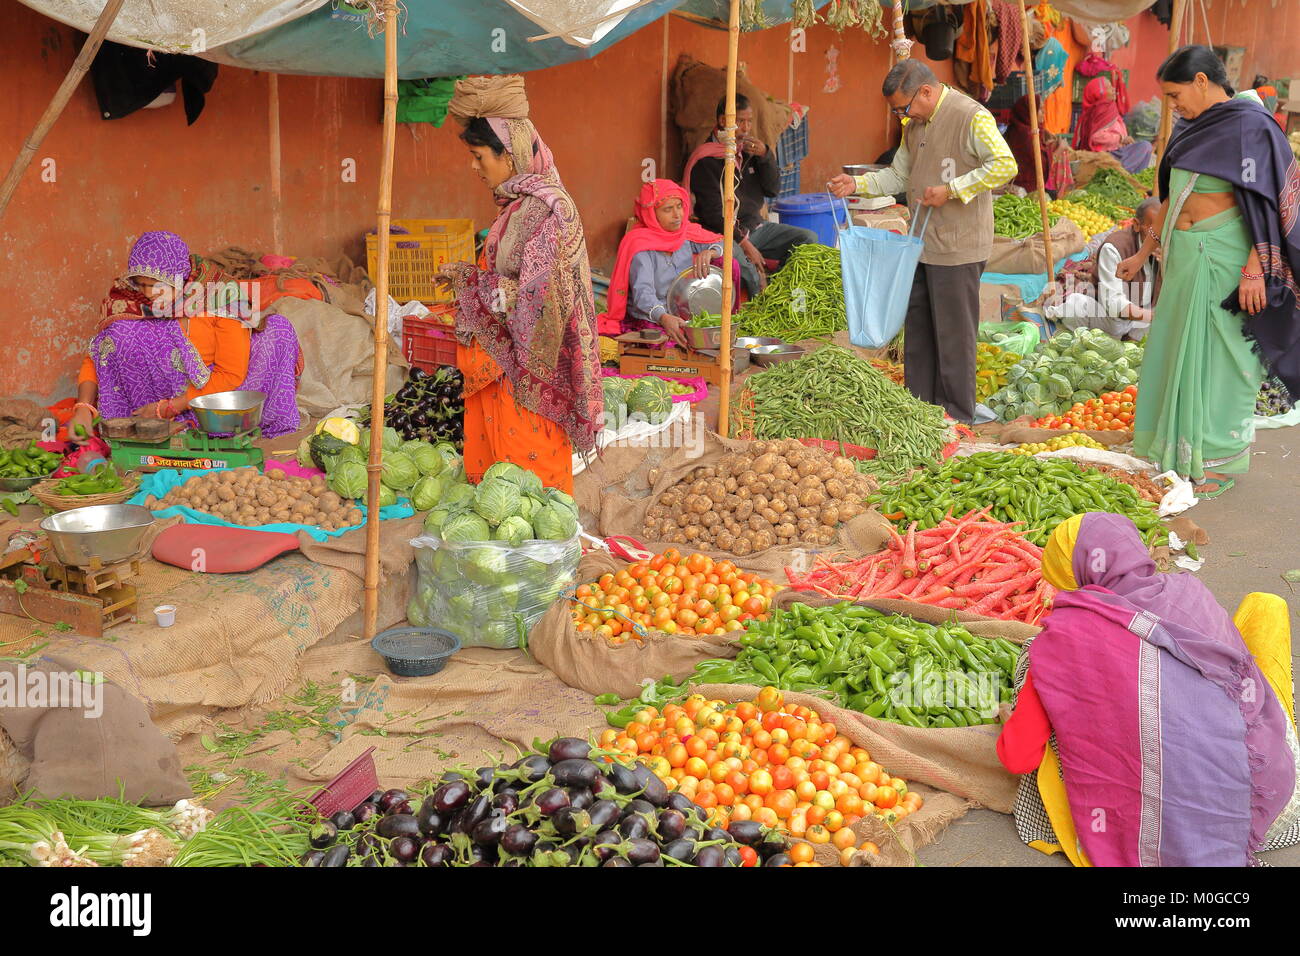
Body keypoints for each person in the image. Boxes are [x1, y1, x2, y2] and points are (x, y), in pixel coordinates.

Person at [998, 512, 1300, 866]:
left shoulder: (1063, 641)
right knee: (1258, 622)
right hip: (1270, 805)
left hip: (1162, 838)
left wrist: (1016, 714)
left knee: (1034, 666)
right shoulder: (1189, 592)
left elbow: (1018, 759)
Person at [1117, 45, 1300, 499]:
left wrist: (1257, 268)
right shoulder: (1190, 130)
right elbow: (1171, 198)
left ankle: (1219, 457)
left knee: (1223, 360)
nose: (1173, 105)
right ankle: (1177, 452)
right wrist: (1144, 254)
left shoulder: (1253, 127)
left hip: (1226, 259)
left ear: (1202, 80)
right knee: (1174, 350)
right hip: (1182, 259)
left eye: (1176, 94)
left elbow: (1269, 205)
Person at [829, 60, 1017, 423]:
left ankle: (957, 415)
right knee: (918, 328)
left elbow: (1004, 165)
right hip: (920, 244)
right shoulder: (913, 126)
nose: (902, 115)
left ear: (926, 92)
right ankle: (920, 410)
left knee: (953, 334)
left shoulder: (971, 116)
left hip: (959, 246)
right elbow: (899, 174)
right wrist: (857, 185)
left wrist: (952, 190)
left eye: (904, 107)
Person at [441, 76, 602, 495]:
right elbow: (514, 282)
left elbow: (543, 296)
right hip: (504, 365)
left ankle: (540, 556)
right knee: (499, 489)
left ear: (508, 154)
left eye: (479, 157)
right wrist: (472, 280)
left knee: (532, 494)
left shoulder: (550, 209)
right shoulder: (516, 205)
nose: (474, 168)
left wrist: (482, 289)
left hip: (532, 371)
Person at [68, 230, 302, 441]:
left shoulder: (220, 299)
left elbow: (231, 375)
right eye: (142, 285)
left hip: (218, 392)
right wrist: (83, 407)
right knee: (120, 331)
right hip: (152, 397)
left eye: (158, 285)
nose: (149, 294)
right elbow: (100, 354)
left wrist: (172, 407)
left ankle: (190, 424)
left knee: (277, 329)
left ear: (180, 278)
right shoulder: (130, 299)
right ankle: (145, 426)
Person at [685, 94, 817, 295]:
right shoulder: (705, 160)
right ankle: (761, 303)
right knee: (742, 265)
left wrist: (765, 156)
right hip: (724, 235)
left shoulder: (750, 152)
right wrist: (745, 244)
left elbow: (772, 190)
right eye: (740, 121)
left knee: (807, 239)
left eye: (749, 121)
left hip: (756, 227)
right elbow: (712, 215)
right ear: (723, 121)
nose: (746, 128)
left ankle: (781, 292)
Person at [599, 179, 727, 346]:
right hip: (652, 314)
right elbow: (643, 294)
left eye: (679, 206)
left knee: (728, 263)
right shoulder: (640, 244)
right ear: (651, 213)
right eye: (668, 209)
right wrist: (664, 317)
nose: (677, 215)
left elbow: (720, 242)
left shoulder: (686, 233)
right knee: (672, 346)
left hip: (681, 309)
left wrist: (711, 252)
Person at [1045, 197, 1161, 340]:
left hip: (1140, 319)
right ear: (1136, 225)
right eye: (1153, 231)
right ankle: (1080, 340)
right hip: (1108, 317)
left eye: (1164, 230)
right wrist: (1152, 317)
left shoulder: (1167, 246)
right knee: (1076, 306)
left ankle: (1131, 343)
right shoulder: (1114, 247)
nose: (1158, 237)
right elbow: (1114, 304)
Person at [1073, 76, 1154, 174]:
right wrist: (1120, 138)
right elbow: (1095, 136)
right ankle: (1119, 174)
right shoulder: (1101, 110)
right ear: (1100, 92)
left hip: (1117, 151)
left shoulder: (1108, 108)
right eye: (1109, 87)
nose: (1113, 89)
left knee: (1145, 147)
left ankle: (1128, 175)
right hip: (1106, 155)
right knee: (1145, 146)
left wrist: (1124, 139)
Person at [1005, 95, 1071, 196]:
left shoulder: (1020, 128)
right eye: (1040, 109)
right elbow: (1041, 165)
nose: (1044, 112)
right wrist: (1060, 149)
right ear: (1028, 112)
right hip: (1026, 188)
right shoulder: (1026, 134)